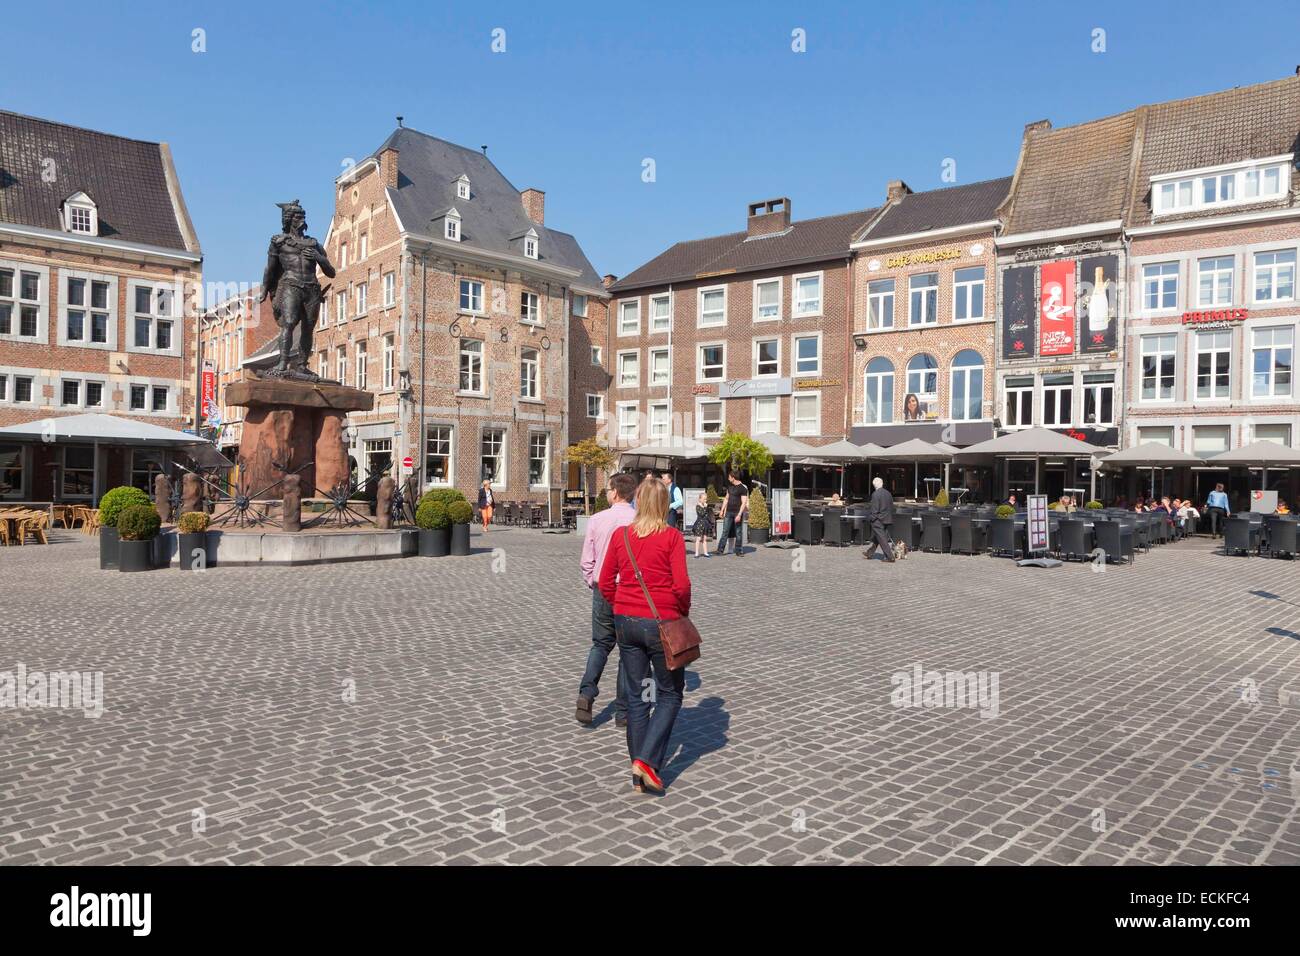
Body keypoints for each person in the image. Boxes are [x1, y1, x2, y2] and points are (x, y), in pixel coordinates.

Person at [598, 478, 691, 794]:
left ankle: (639, 773)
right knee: (670, 692)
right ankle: (646, 760)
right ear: (664, 504)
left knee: (636, 696)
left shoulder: (621, 535)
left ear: (638, 502)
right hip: (660, 620)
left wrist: (619, 604)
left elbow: (605, 579)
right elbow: (681, 586)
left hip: (626, 620)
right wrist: (681, 612)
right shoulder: (672, 537)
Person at [576, 472, 638, 728]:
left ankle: (586, 694)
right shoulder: (639, 520)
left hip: (603, 588)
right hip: (629, 592)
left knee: (600, 645)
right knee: (628, 652)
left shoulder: (598, 519)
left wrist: (593, 580)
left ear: (614, 492)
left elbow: (586, 559)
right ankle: (623, 712)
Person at [862, 476, 896, 562]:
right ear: (882, 483)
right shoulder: (888, 493)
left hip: (878, 520)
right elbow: (891, 506)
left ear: (874, 485)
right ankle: (870, 552)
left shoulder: (875, 494)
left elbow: (875, 510)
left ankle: (890, 557)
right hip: (887, 518)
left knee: (882, 539)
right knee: (877, 537)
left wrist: (871, 519)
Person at [716, 472, 748, 557]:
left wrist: (739, 514)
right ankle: (720, 550)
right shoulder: (729, 487)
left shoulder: (743, 488)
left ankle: (739, 551)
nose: (728, 479)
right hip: (728, 512)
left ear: (733, 477)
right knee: (725, 531)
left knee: (738, 532)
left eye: (729, 477)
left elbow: (744, 502)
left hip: (737, 513)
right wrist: (722, 510)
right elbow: (726, 499)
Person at [690, 492, 714, 558]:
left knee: (704, 539)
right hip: (699, 524)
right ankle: (696, 553)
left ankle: (706, 552)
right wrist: (705, 507)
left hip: (705, 524)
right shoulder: (698, 506)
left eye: (706, 499)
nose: (705, 501)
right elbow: (702, 514)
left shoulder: (705, 506)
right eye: (703, 499)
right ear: (700, 499)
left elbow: (708, 514)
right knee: (698, 539)